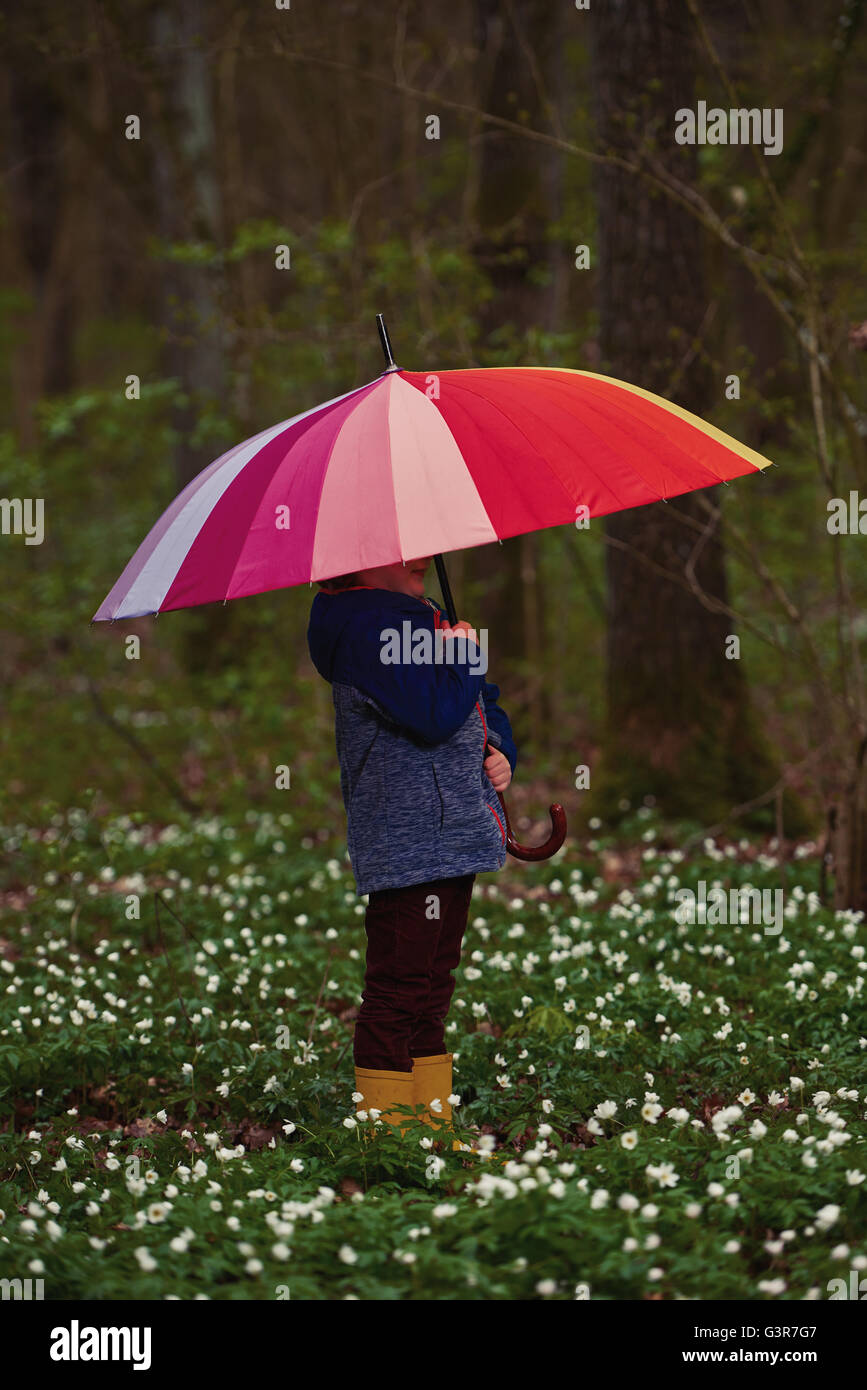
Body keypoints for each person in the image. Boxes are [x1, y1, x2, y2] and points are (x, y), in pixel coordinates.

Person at [307, 556, 517, 1142]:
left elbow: (479, 703)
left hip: (453, 835)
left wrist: (498, 749)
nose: (417, 555)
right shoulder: (367, 633)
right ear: (364, 564)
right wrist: (463, 655)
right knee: (399, 989)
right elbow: (431, 714)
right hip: (408, 840)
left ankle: (431, 1131)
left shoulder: (421, 621)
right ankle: (389, 1143)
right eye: (398, 548)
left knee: (433, 983)